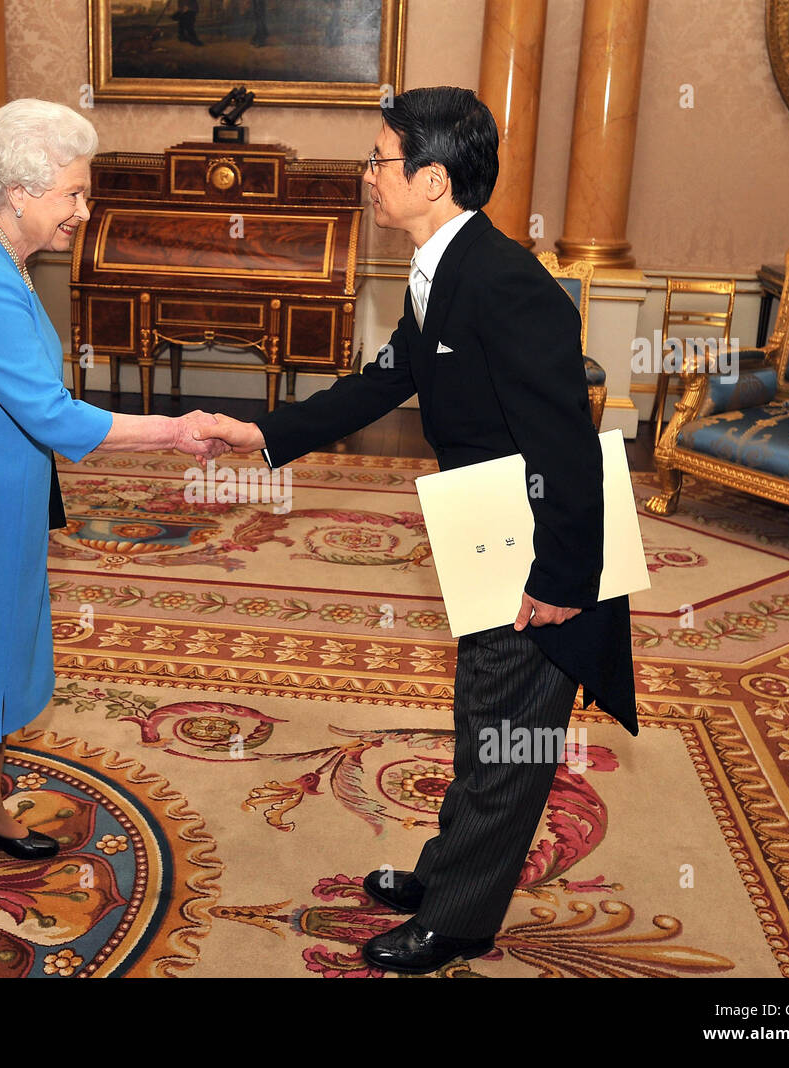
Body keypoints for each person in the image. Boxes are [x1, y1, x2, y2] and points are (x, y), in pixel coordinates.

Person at [203, 86, 637, 974]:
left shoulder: (510, 285)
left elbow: (567, 447)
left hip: (536, 542)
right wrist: (265, 431)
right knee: (483, 716)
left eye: (379, 160)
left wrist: (560, 582)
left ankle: (461, 921)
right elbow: (384, 381)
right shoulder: (439, 266)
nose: (367, 175)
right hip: (484, 524)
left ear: (433, 179)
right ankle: (450, 875)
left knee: (509, 737)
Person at [0, 99, 229, 909]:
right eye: (73, 193)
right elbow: (54, 415)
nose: (83, 210)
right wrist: (175, 431)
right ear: (22, 191)